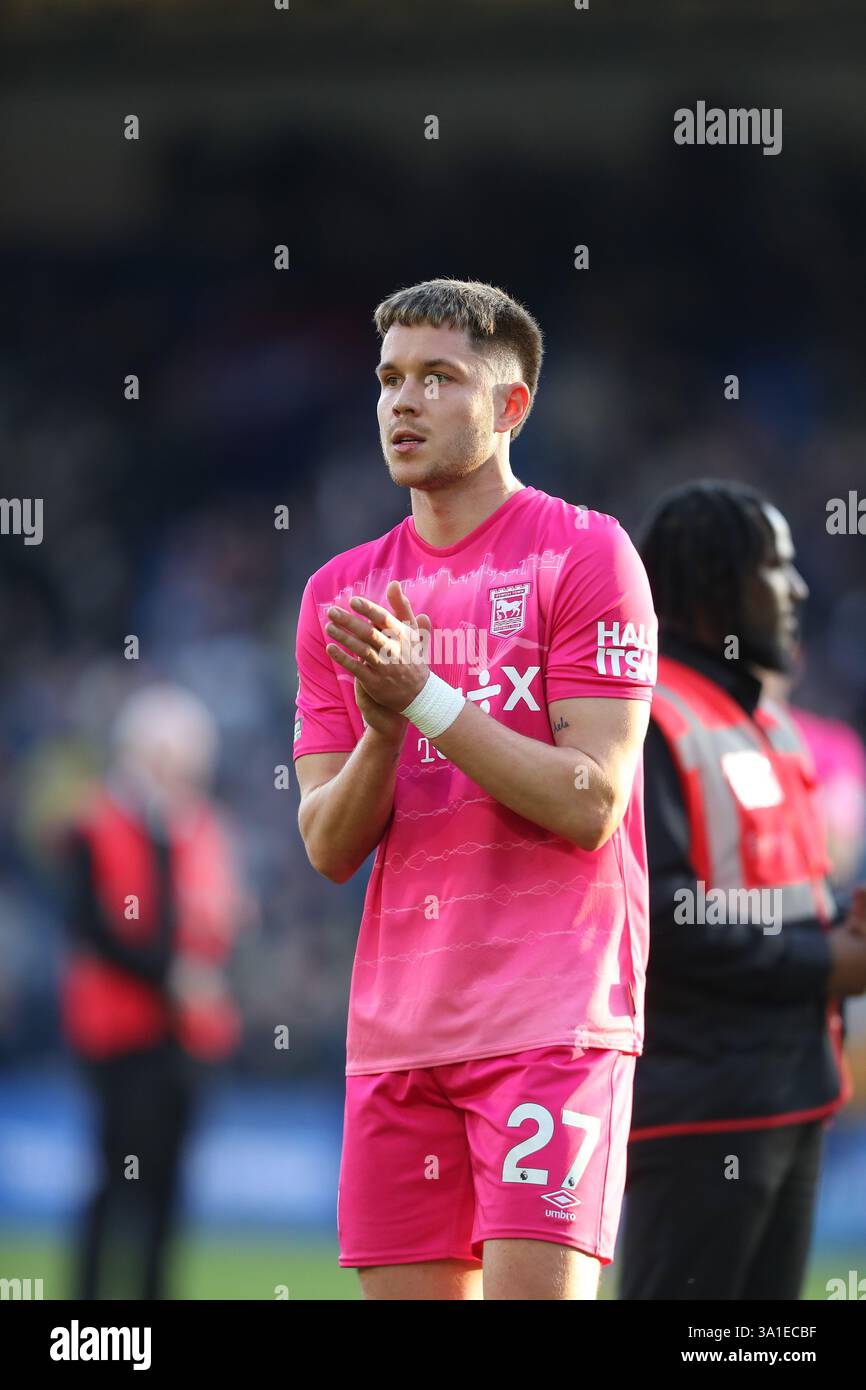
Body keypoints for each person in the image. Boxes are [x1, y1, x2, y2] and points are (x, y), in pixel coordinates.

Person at [294, 278, 657, 1300]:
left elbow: (591, 800)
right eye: (388, 379)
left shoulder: (584, 554)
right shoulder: (339, 593)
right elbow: (325, 845)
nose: (400, 402)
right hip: (397, 1038)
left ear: (509, 407)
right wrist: (380, 731)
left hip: (549, 1023)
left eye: (436, 377)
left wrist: (425, 696)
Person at [618, 479, 866, 1301]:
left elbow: (777, 893)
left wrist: (845, 927)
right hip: (702, 1107)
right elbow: (667, 916)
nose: (798, 589)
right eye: (775, 568)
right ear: (712, 583)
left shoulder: (769, 722)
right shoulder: (648, 721)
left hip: (793, 1093)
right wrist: (820, 958)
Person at [61, 684, 246, 1300]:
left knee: (168, 1186)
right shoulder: (97, 824)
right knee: (117, 1180)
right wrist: (169, 974)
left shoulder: (201, 827)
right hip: (120, 1034)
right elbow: (91, 928)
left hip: (186, 1039)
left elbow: (218, 918)